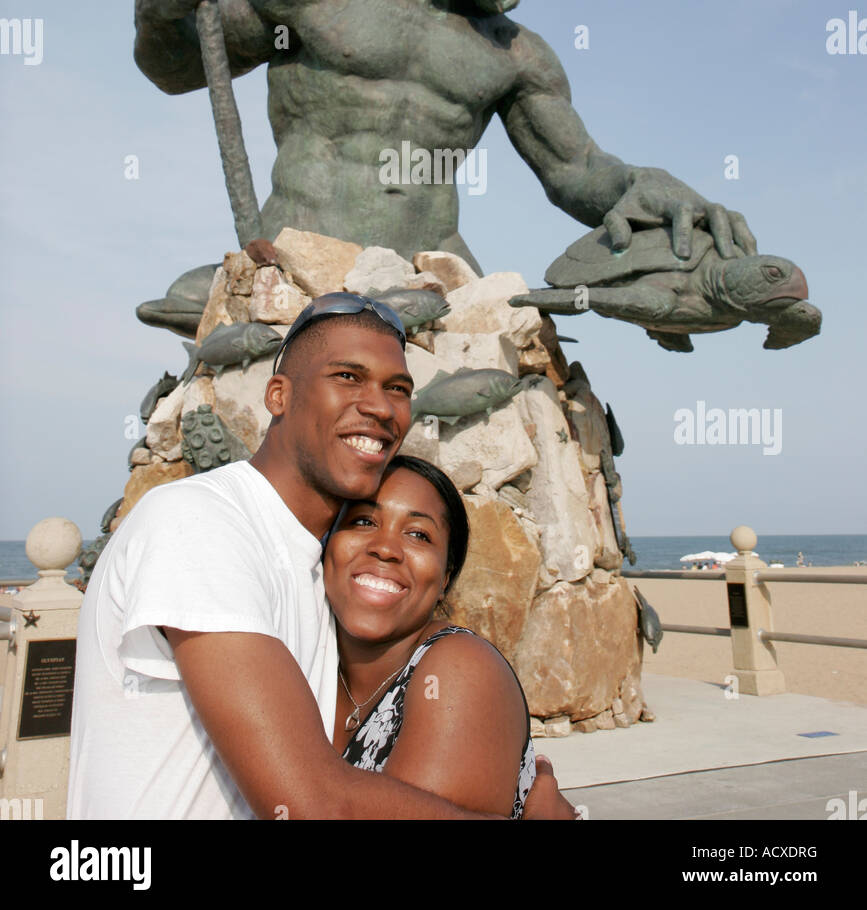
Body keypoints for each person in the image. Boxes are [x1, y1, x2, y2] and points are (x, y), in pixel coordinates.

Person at [133, 0, 755, 329]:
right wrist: (159, 5)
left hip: (435, 280)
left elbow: (578, 171)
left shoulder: (516, 53)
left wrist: (645, 186)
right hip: (297, 267)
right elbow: (185, 67)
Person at [67, 293, 574, 820]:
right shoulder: (199, 520)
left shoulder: (322, 574)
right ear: (279, 395)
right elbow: (310, 804)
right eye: (348, 377)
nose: (379, 406)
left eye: (397, 388)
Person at [325, 455, 536, 818]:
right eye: (363, 521)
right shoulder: (301, 651)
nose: (385, 548)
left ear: (445, 578)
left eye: (418, 535)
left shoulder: (458, 669)